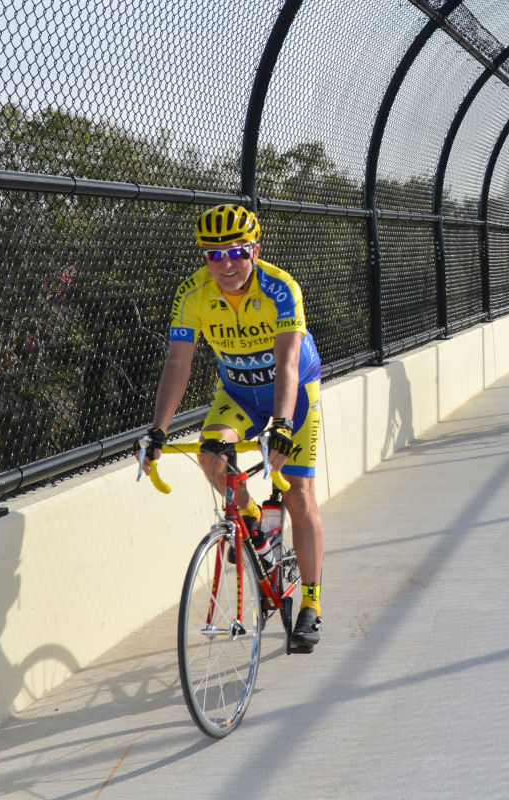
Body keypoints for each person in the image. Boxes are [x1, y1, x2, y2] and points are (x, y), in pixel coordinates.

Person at [143, 204, 326, 651]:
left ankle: (311, 603)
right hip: (238, 395)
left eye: (236, 252)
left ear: (255, 251)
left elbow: (287, 364)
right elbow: (178, 363)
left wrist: (282, 424)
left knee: (299, 494)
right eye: (214, 255)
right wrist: (158, 430)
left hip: (294, 392)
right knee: (210, 454)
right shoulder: (192, 293)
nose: (225, 264)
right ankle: (254, 524)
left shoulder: (281, 288)